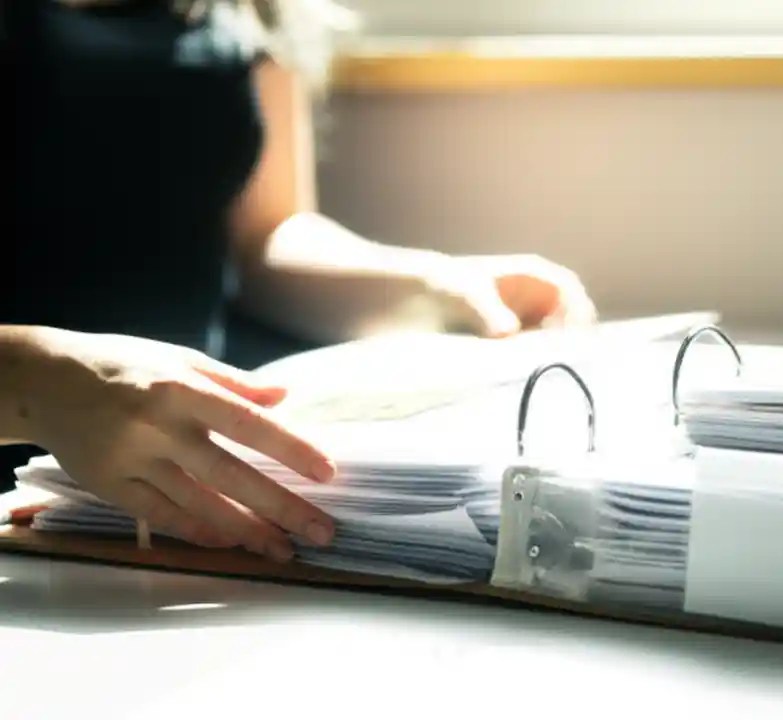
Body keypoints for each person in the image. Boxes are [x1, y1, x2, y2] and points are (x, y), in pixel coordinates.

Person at [0, 0, 598, 563]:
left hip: (180, 501)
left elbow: (265, 237)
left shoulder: (244, 10)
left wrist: (437, 284)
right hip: (22, 501)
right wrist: (39, 380)